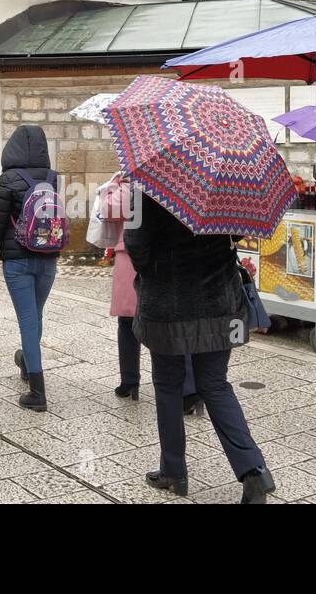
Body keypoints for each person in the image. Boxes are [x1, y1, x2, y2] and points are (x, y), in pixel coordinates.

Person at [126, 193, 275, 503]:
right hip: (218, 299)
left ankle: (174, 472)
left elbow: (136, 245)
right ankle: (253, 472)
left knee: (167, 385)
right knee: (215, 384)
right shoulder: (224, 184)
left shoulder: (147, 191)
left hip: (167, 302)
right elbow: (237, 232)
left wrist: (153, 267)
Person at [0, 124, 62, 411]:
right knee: (35, 315)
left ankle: (37, 391)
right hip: (48, 257)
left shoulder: (8, 179)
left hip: (17, 261)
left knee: (27, 319)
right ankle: (27, 361)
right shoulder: (52, 177)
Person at [101, 175, 202, 413]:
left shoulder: (135, 181)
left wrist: (115, 184)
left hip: (135, 258)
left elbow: (110, 209)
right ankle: (189, 392)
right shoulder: (185, 181)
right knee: (179, 325)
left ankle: (130, 381)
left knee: (127, 322)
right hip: (177, 260)